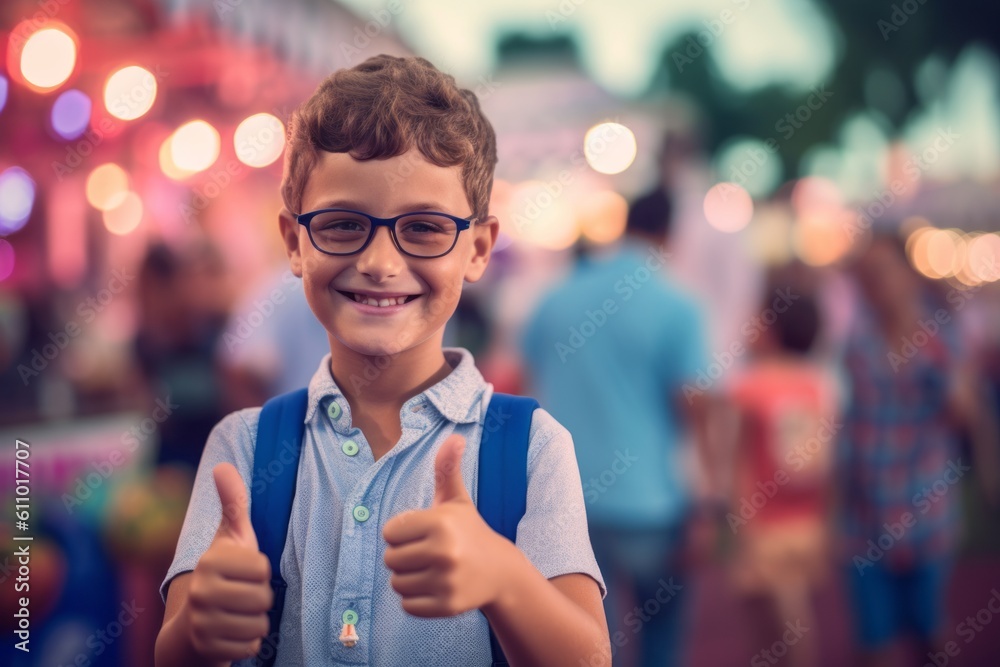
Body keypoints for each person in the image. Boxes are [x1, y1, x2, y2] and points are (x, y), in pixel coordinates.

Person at [155, 55, 609, 667]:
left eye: (422, 228)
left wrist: (505, 578)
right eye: (344, 224)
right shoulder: (242, 448)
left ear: (477, 250)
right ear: (294, 242)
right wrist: (199, 631)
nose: (379, 260)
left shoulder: (531, 448)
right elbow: (173, 652)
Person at [520, 187, 715, 667]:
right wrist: (709, 500)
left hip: (563, 501)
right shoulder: (678, 305)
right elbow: (696, 411)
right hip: (652, 503)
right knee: (661, 640)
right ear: (671, 234)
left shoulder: (557, 297)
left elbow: (526, 380)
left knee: (591, 645)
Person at [838, 232, 999, 667]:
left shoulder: (940, 339)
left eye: (884, 272)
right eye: (867, 276)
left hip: (924, 512)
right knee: (875, 644)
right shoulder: (856, 341)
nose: (877, 284)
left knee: (931, 632)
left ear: (909, 275)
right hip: (865, 518)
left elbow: (965, 413)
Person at [722, 273, 836, 667]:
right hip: (808, 514)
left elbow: (736, 457)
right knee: (786, 612)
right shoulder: (818, 382)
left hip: (763, 520)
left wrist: (736, 513)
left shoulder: (751, 385)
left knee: (778, 623)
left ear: (769, 327)